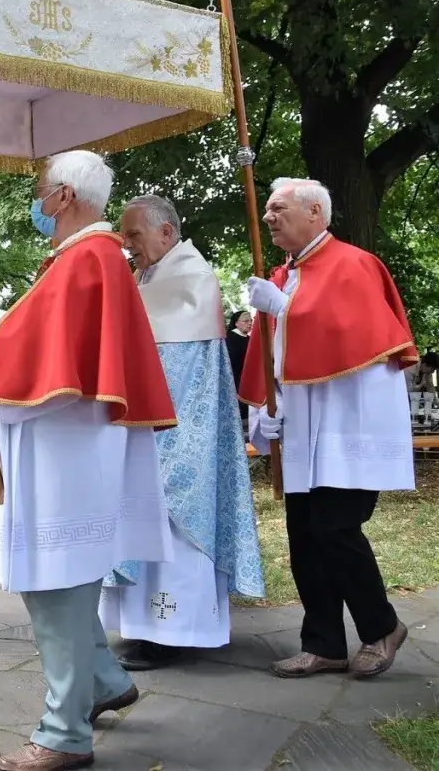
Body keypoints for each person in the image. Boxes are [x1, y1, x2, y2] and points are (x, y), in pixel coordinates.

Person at [0, 150, 176, 771]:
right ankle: (102, 679)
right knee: (59, 572)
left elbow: (33, 341)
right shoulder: (88, 258)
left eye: (42, 191)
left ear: (65, 195)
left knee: (57, 579)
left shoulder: (87, 258)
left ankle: (65, 732)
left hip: (68, 448)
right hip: (67, 443)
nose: (38, 202)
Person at [240, 177, 417, 680]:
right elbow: (275, 358)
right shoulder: (283, 275)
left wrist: (286, 310)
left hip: (347, 423)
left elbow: (346, 331)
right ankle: (323, 642)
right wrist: (264, 413)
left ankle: (381, 627)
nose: (269, 217)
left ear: (316, 213)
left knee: (337, 529)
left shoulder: (354, 264)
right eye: (267, 210)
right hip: (303, 424)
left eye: (279, 209)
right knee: (305, 535)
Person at [100, 195, 265, 671]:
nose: (127, 245)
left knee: (173, 526)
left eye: (133, 235)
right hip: (146, 431)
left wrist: (161, 437)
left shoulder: (190, 280)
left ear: (166, 233)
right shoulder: (149, 278)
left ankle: (170, 632)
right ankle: (144, 627)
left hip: (175, 435)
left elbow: (180, 376)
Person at [225, 310, 252, 425]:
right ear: (236, 323)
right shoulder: (230, 338)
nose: (249, 323)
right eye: (246, 321)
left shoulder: (249, 339)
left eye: (251, 321)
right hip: (235, 378)